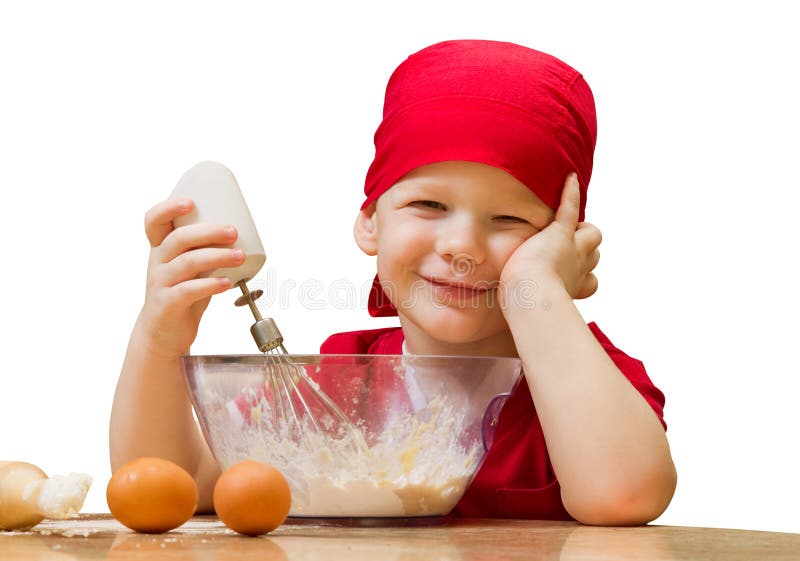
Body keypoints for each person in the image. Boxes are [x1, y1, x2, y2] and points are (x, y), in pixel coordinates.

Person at [110, 39, 676, 525]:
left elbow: (622, 495)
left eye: (511, 220)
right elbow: (174, 485)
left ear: (566, 245)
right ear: (369, 223)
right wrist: (159, 339)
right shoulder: (336, 387)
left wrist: (537, 291)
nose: (462, 246)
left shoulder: (599, 382)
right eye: (429, 204)